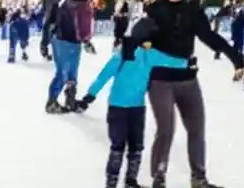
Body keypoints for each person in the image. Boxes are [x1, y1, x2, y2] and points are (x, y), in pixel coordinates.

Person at [145, 0, 244, 188]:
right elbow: (141, 40)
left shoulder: (191, 10)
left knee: (197, 127)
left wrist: (235, 57)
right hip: (160, 80)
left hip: (188, 79)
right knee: (166, 130)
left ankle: (198, 177)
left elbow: (208, 36)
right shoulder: (155, 10)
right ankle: (159, 177)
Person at [77, 18, 192, 188]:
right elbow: (105, 75)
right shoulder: (124, 53)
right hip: (118, 107)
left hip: (137, 107)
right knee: (118, 147)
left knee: (136, 146)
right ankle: (112, 182)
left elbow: (171, 61)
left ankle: (131, 181)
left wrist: (187, 62)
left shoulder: (152, 55)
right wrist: (90, 95)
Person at [48, 0, 97, 113]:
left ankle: (70, 100)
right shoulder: (77, 3)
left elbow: (83, 24)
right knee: (64, 72)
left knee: (71, 73)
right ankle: (52, 102)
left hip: (68, 40)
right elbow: (80, 24)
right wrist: (86, 40)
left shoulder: (73, 0)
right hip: (64, 40)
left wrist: (86, 41)